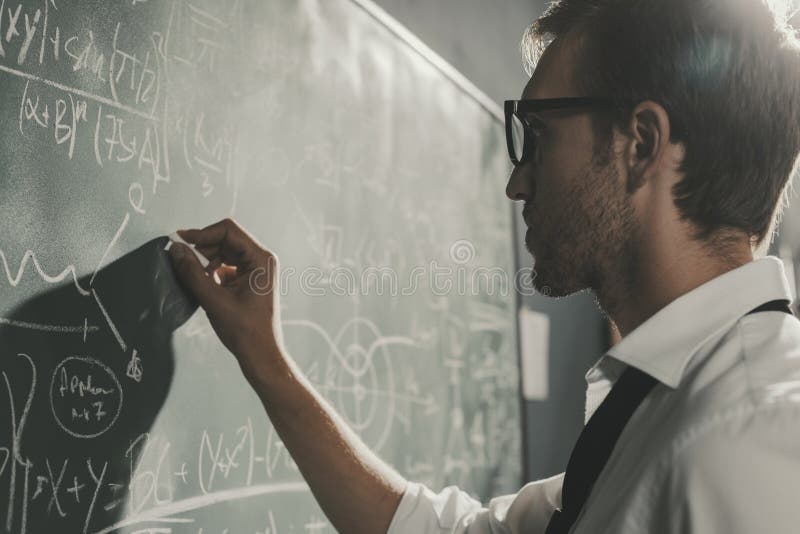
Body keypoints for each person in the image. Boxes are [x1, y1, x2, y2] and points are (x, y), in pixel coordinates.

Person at [168, 0, 800, 532]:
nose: (517, 184)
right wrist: (264, 357)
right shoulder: (671, 404)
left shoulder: (745, 440)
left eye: (540, 138)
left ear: (640, 144)